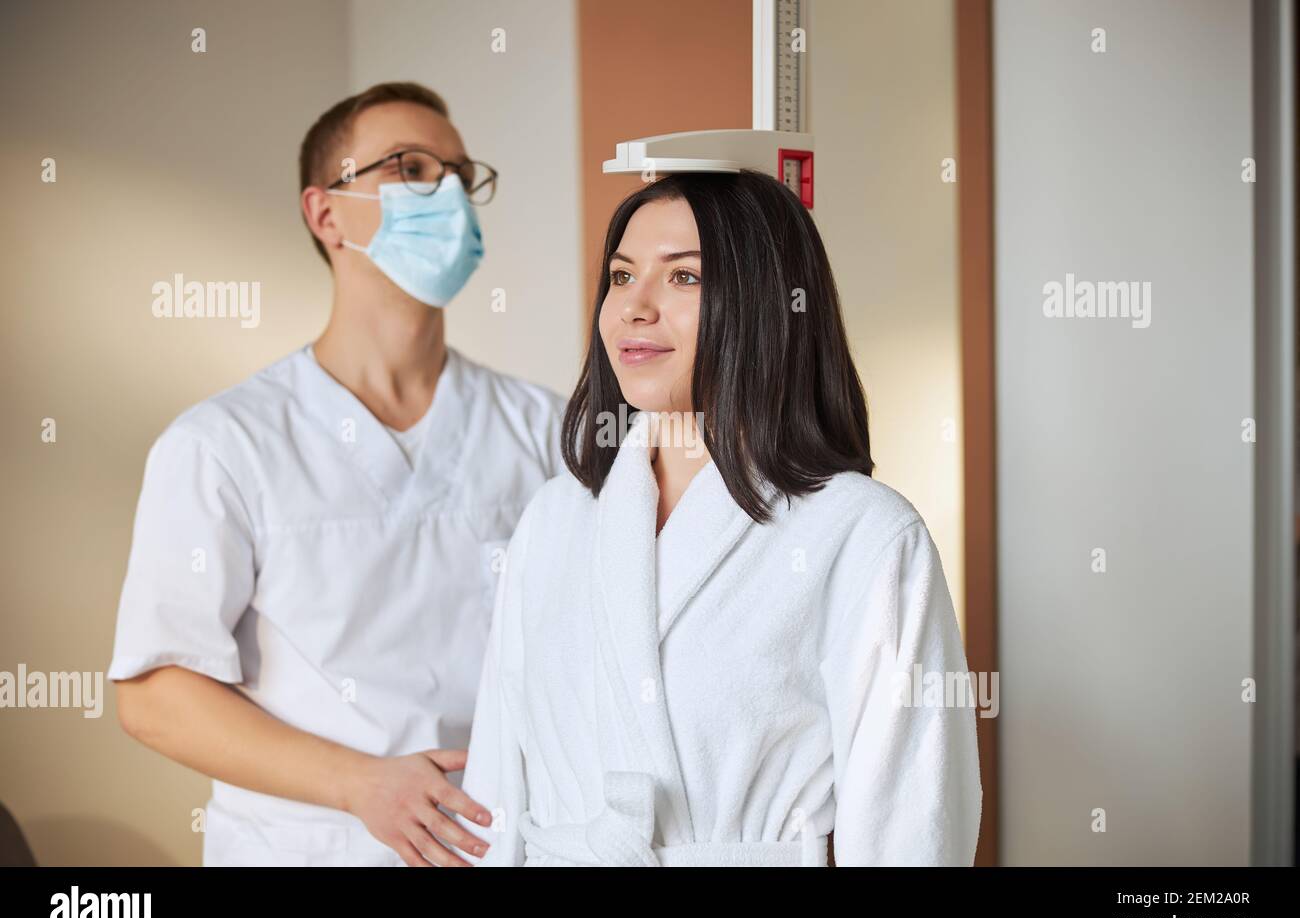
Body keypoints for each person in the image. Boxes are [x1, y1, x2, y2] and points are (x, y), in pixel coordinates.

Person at [453, 170, 982, 866]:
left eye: (684, 279)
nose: (635, 307)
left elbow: (911, 822)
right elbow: (497, 783)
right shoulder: (555, 519)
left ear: (769, 305)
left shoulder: (863, 535)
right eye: (620, 275)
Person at [109, 82, 564, 867]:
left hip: (501, 847)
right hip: (307, 849)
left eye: (460, 174)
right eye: (410, 169)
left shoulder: (544, 430)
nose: (448, 194)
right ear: (325, 214)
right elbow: (155, 696)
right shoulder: (225, 445)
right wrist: (363, 786)